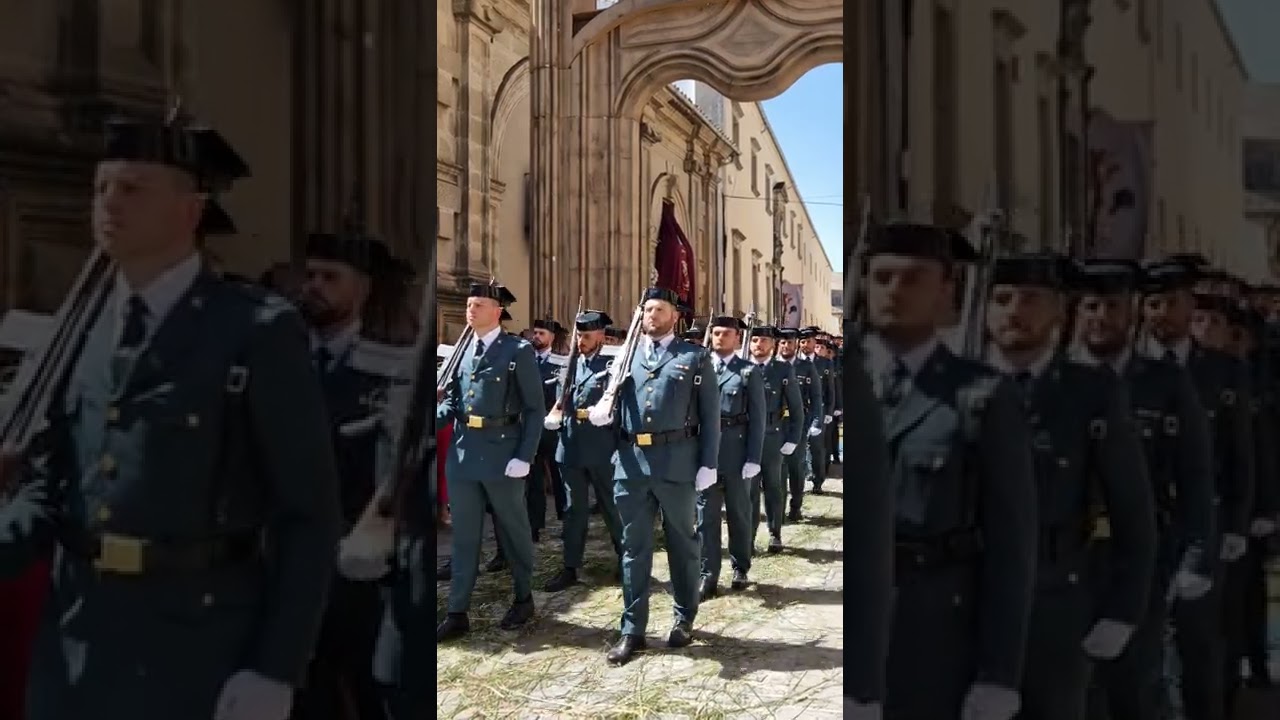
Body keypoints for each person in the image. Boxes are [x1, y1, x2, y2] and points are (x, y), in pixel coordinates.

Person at [0, 111, 342, 719]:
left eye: (132, 188)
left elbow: (306, 514)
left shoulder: (254, 330)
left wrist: (276, 667)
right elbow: (50, 489)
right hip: (76, 641)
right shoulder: (79, 330)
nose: (109, 203)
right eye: (101, 188)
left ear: (189, 211)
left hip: (197, 641)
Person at [863, 222, 1037, 720]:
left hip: (934, 630)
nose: (895, 290)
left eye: (914, 278)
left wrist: (999, 673)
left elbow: (1011, 546)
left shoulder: (981, 396)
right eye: (883, 277)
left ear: (946, 293)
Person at [983, 253, 1156, 720]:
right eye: (1001, 299)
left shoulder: (1089, 393)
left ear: (1061, 312)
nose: (1014, 310)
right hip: (966, 602)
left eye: (1031, 299)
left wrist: (1123, 609)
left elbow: (1133, 513)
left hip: (1054, 600)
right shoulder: (952, 387)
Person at [1070, 259, 1215, 720]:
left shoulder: (1165, 383)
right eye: (1090, 306)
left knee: (1136, 687)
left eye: (1112, 306)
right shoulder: (1054, 384)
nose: (1100, 317)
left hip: (1141, 559)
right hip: (1066, 565)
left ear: (1131, 314)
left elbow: (1195, 476)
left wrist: (1194, 558)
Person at [291, 229, 408, 720]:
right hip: (284, 561)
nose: (314, 286)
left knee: (365, 690)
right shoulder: (273, 358)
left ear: (361, 288)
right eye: (310, 275)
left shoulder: (388, 372)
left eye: (329, 277)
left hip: (356, 566)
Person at [1142, 255, 1255, 719]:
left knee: (1198, 643)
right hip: (1140, 526)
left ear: (1189, 306)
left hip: (1201, 525)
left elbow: (1240, 455)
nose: (1161, 313)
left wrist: (1239, 521)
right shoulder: (1125, 374)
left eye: (1171, 302)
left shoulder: (1222, 371)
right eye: (1152, 304)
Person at [587, 287, 719, 666]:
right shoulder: (625, 357)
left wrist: (707, 463)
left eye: (659, 309)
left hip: (676, 462)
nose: (651, 316)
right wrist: (601, 410)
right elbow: (614, 403)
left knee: (682, 543)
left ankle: (683, 617)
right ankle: (633, 629)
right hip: (630, 464)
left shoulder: (694, 357)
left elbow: (710, 417)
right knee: (633, 549)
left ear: (674, 316)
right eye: (646, 310)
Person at [435, 283, 544, 641]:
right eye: (468, 304)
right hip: (464, 454)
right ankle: (457, 611)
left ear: (497, 311)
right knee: (465, 536)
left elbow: (534, 408)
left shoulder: (517, 351)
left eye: (478, 304)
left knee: (514, 531)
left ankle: (523, 595)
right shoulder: (462, 351)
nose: (470, 309)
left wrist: (524, 457)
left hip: (502, 453)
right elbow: (452, 402)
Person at [543, 310, 625, 591]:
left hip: (602, 447)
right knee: (572, 510)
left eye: (587, 336)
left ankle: (626, 561)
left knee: (612, 508)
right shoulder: (568, 365)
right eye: (579, 335)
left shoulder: (612, 366)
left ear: (602, 336)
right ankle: (570, 566)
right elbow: (560, 399)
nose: (581, 341)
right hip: (571, 446)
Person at [696, 315, 765, 598]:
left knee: (739, 514)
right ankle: (708, 574)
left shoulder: (747, 372)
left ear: (737, 338)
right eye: (716, 333)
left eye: (726, 334)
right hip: (706, 454)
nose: (720, 338)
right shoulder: (699, 367)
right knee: (705, 517)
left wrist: (753, 458)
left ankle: (740, 566)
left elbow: (758, 419)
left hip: (736, 453)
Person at [743, 325, 803, 552]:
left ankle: (775, 532)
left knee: (773, 487)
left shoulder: (782, 370)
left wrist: (792, 439)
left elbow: (796, 410)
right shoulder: (741, 367)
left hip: (771, 436)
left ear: (773, 345)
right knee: (747, 491)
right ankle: (747, 538)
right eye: (755, 340)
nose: (759, 344)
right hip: (744, 437)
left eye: (764, 341)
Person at [776, 328, 823, 520]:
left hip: (798, 424)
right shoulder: (771, 366)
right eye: (783, 343)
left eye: (790, 343)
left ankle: (795, 505)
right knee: (777, 469)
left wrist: (817, 421)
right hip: (775, 425)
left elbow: (816, 395)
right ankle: (777, 510)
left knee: (796, 467)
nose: (786, 346)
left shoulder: (806, 367)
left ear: (796, 345)